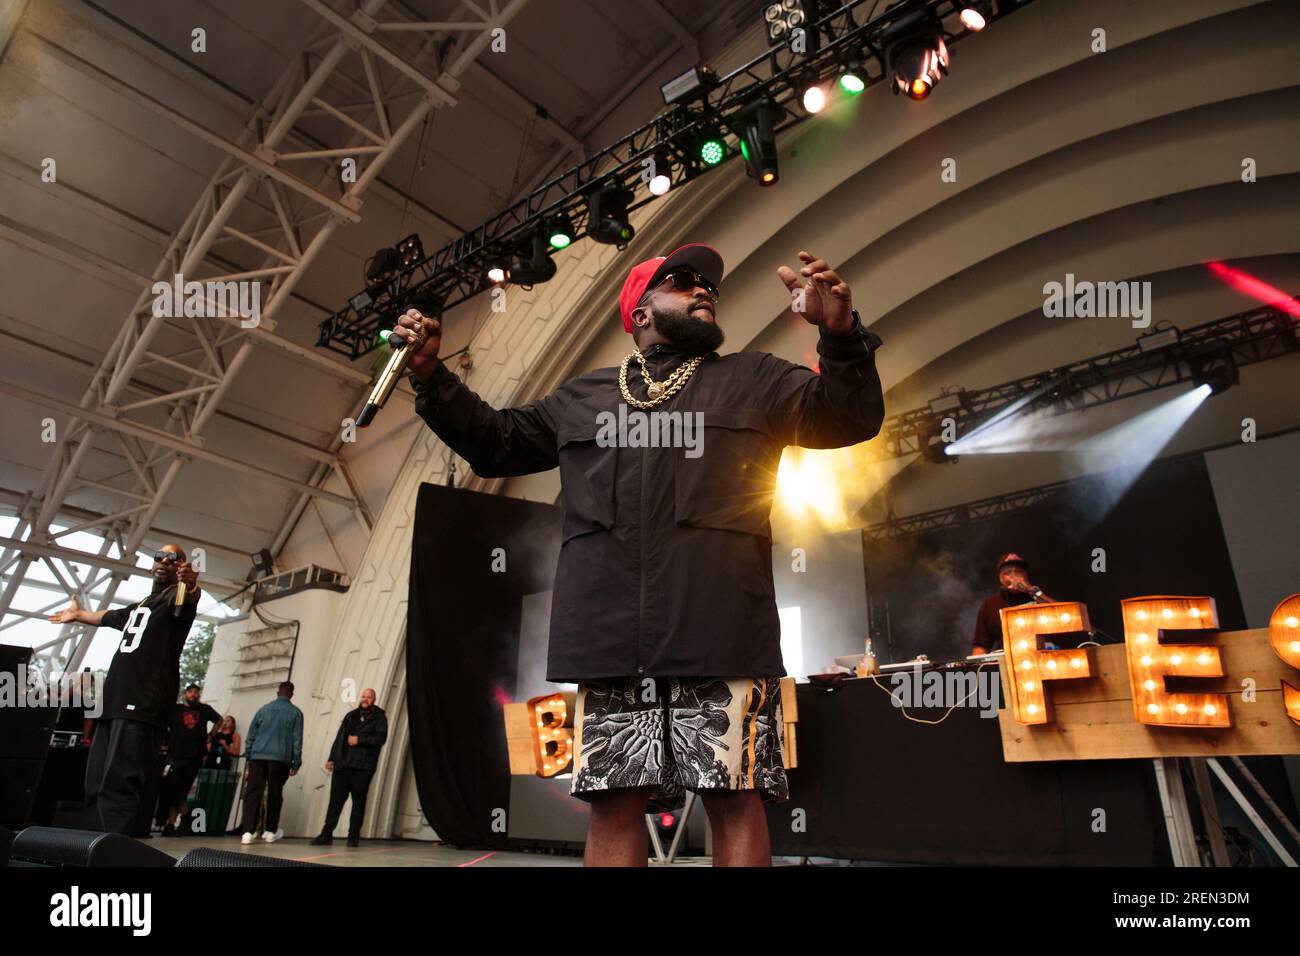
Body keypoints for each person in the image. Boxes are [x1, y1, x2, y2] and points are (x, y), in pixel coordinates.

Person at [392, 245, 884, 866]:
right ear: (641, 312)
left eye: (708, 284)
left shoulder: (753, 378)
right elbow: (495, 443)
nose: (703, 290)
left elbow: (848, 416)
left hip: (720, 633)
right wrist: (430, 376)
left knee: (734, 795)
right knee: (614, 802)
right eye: (682, 281)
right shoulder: (583, 397)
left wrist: (841, 335)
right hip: (611, 643)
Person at [47, 545, 200, 835]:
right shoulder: (143, 604)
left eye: (172, 559)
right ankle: (92, 846)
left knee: (119, 784)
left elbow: (189, 598)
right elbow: (107, 616)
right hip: (113, 703)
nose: (164, 561)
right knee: (95, 784)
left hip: (141, 704)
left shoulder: (175, 597)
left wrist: (190, 585)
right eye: (159, 557)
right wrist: (78, 614)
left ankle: (111, 850)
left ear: (181, 566)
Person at [310, 688, 389, 847]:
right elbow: (339, 737)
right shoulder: (351, 715)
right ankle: (326, 835)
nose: (365, 699)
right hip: (343, 765)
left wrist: (359, 739)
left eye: (369, 697)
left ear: (374, 700)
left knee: (358, 803)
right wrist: (332, 758)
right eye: (363, 696)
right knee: (335, 802)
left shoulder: (380, 718)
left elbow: (380, 739)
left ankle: (353, 837)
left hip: (363, 767)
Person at [239, 681, 303, 844]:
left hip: (258, 756)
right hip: (280, 759)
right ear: (291, 694)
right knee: (275, 794)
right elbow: (297, 740)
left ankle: (247, 832)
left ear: (277, 692)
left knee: (253, 793)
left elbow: (251, 734)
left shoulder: (263, 710)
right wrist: (296, 762)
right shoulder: (296, 713)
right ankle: (269, 831)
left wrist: (249, 754)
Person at [154, 683, 222, 835]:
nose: (193, 694)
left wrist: (211, 735)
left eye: (196, 692)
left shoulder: (205, 709)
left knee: (182, 791)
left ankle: (171, 825)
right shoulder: (176, 709)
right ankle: (186, 816)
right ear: (185, 694)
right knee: (172, 789)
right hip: (175, 755)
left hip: (194, 756)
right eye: (190, 692)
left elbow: (219, 720)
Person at [970, 552, 1056, 656]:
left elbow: (1063, 614)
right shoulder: (990, 605)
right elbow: (981, 646)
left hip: (1048, 659)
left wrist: (1031, 590)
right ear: (1001, 578)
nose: (1014, 577)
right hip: (1008, 662)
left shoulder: (1041, 596)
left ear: (1026, 575)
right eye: (1008, 573)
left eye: (1018, 572)